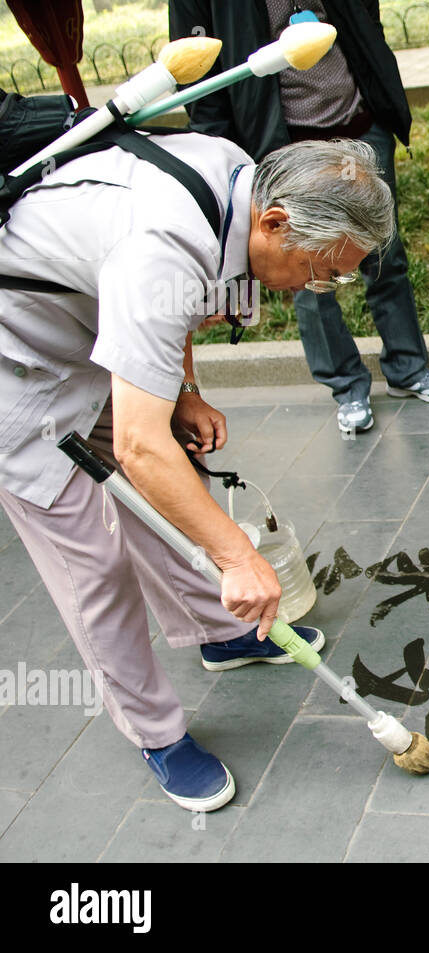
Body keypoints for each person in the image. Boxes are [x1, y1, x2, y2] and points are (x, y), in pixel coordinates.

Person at [0, 132, 394, 811]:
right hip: (20, 367)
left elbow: (176, 310)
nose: (317, 287)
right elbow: (138, 446)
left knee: (180, 481)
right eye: (319, 270)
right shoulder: (163, 244)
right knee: (93, 561)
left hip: (90, 337)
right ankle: (155, 731)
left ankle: (221, 631)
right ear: (275, 222)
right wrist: (239, 555)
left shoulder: (237, 178)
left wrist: (180, 390)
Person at [169, 0, 429, 434]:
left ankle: (408, 367)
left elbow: (365, 18)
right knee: (304, 271)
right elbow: (200, 79)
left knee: (381, 253)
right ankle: (346, 386)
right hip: (282, 143)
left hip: (359, 126)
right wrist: (225, 160)